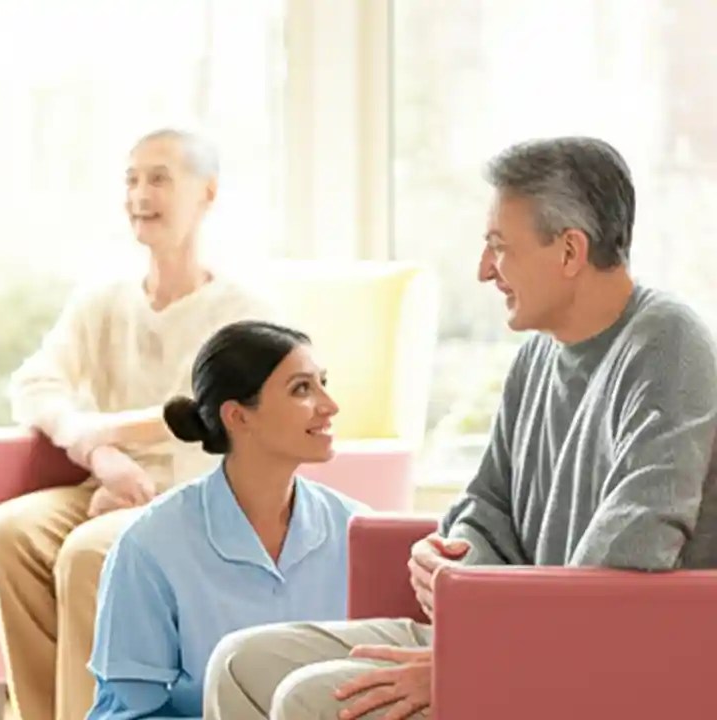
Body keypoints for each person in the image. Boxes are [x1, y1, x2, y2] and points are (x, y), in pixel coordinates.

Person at [203, 136, 717, 720]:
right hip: (508, 634)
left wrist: (475, 660)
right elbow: (487, 504)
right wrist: (451, 559)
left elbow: (624, 563)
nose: (484, 270)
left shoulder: (669, 347)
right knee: (237, 663)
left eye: (500, 247)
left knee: (308, 698)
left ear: (570, 251)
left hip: (590, 662)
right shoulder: (537, 355)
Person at [0, 128, 276, 720]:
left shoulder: (243, 311)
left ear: (207, 193)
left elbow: (211, 413)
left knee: (90, 552)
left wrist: (107, 438)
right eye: (131, 179)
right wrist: (98, 454)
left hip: (199, 498)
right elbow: (34, 384)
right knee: (7, 533)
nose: (140, 194)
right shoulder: (104, 300)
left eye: (159, 178)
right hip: (105, 486)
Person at [87, 320, 365, 720]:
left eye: (323, 383)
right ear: (237, 416)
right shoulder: (149, 547)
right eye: (302, 389)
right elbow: (128, 712)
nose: (330, 405)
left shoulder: (358, 531)